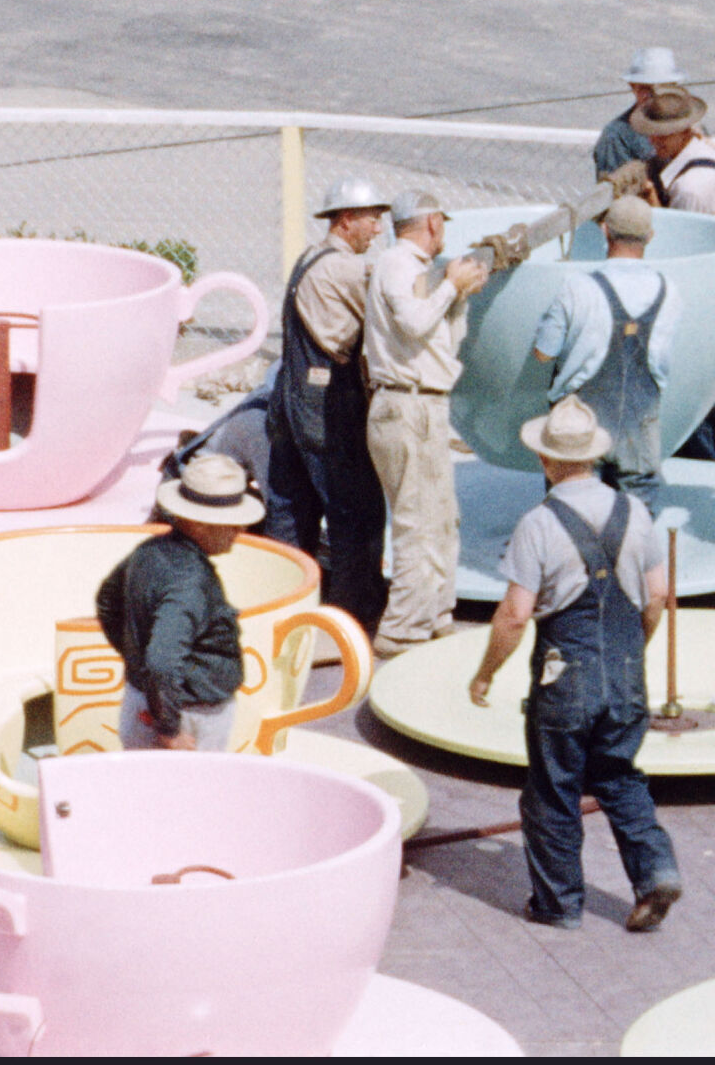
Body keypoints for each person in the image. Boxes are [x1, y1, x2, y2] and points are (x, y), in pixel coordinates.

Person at [468, 396, 683, 932]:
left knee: (552, 789)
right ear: (593, 456)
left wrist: (486, 672)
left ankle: (558, 904)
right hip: (625, 669)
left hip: (566, 675)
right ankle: (655, 870)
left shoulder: (538, 524)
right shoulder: (636, 511)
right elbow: (658, 596)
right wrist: (636, 649)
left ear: (545, 460)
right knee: (620, 776)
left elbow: (515, 615)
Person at [260, 176, 392, 637]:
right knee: (357, 513)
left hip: (289, 406)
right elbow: (394, 307)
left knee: (290, 512)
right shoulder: (344, 270)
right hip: (326, 410)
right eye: (373, 221)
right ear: (347, 219)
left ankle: (282, 607)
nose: (377, 231)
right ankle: (352, 620)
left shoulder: (308, 259)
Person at [364, 190, 490, 656]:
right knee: (419, 523)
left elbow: (442, 342)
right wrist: (451, 288)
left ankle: (434, 615)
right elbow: (416, 323)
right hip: (407, 405)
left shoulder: (417, 271)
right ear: (433, 223)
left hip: (423, 406)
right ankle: (401, 631)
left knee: (442, 520)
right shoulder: (399, 265)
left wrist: (458, 299)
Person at [96, 453, 263, 750]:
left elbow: (108, 601)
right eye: (232, 523)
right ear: (198, 524)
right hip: (188, 716)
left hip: (144, 702)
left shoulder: (150, 551)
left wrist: (138, 662)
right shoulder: (190, 583)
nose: (240, 531)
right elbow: (162, 661)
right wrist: (170, 730)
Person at [530, 195, 683, 517]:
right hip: (640, 421)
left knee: (573, 517)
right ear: (650, 237)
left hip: (580, 420)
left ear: (604, 231)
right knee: (637, 522)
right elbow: (662, 363)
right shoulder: (669, 291)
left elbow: (543, 354)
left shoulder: (576, 287)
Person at [630, 84, 715, 465]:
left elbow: (679, 244)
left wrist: (651, 204)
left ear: (682, 132)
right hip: (714, 297)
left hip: (699, 305)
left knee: (702, 418)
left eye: (662, 137)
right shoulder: (701, 153)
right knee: (712, 415)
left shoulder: (693, 184)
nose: (655, 144)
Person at [592, 46, 687, 180]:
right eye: (645, 89)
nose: (655, 95)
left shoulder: (688, 125)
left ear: (675, 86)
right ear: (632, 86)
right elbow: (618, 193)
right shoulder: (617, 137)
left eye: (662, 87)